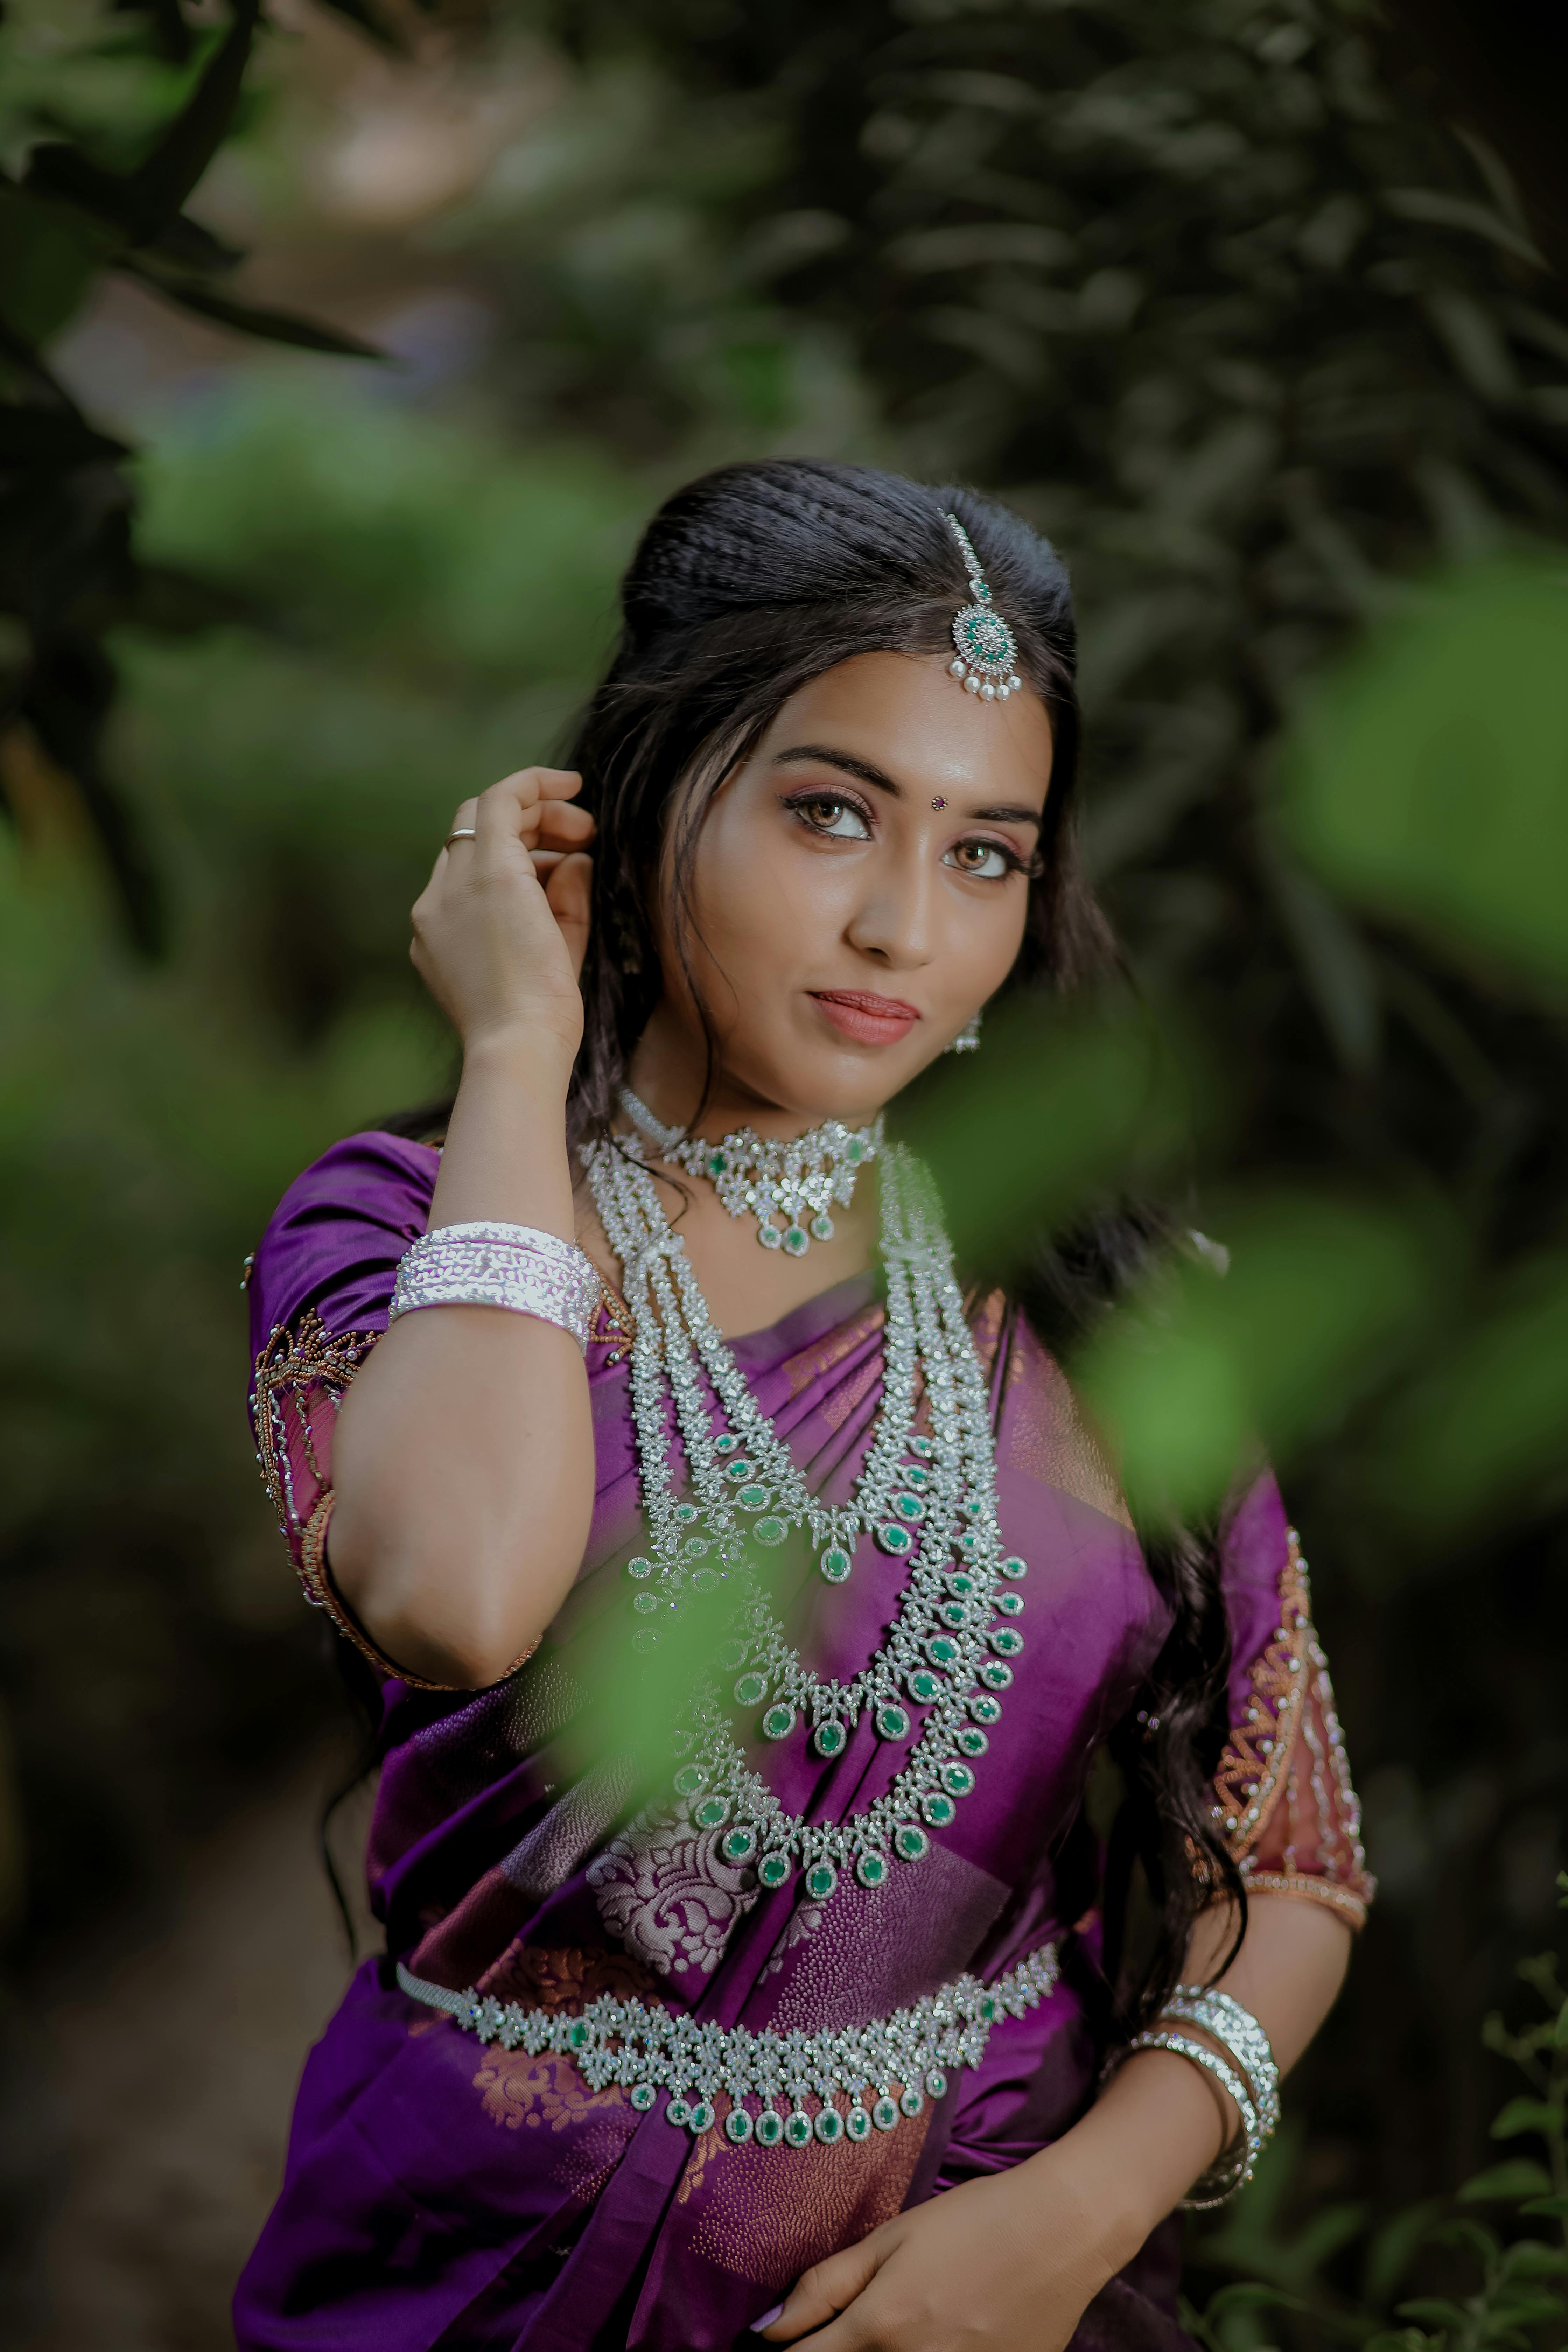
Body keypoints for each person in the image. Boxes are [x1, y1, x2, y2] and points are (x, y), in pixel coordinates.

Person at [237, 461, 1373, 2352]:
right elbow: (455, 1595)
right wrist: (517, 1048)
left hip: (996, 2274)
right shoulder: (407, 1234)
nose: (905, 928)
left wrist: (1073, 2217)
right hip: (482, 2272)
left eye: (986, 852)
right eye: (832, 813)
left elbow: (1295, 1864)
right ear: (643, 794)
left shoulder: (1108, 1298)